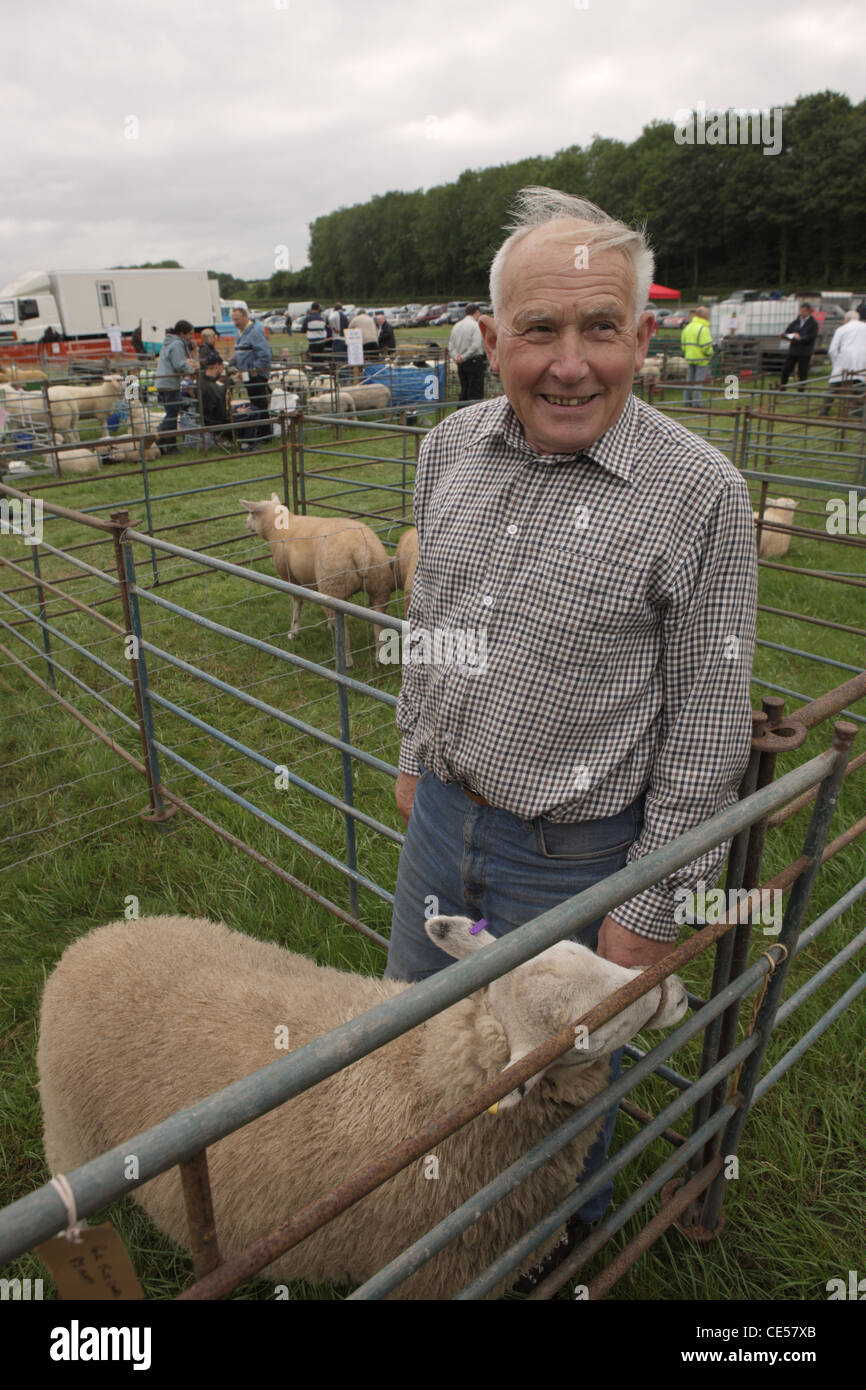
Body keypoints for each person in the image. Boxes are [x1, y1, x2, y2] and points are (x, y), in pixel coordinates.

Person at [385, 186, 757, 1283]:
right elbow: (428, 619)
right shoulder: (448, 448)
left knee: (557, 1079)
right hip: (442, 826)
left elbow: (703, 731)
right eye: (539, 329)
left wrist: (642, 915)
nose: (568, 362)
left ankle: (556, 1244)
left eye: (599, 328)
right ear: (491, 339)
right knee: (424, 1042)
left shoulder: (700, 497)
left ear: (642, 338)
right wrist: (416, 756)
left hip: (579, 865)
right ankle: (424, 1215)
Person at [229, 306, 272, 449]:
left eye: (237, 319)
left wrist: (253, 369)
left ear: (245, 317)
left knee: (260, 404)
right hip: (247, 375)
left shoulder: (255, 332)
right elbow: (241, 353)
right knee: (254, 403)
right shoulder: (240, 333)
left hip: (256, 375)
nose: (235, 322)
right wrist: (231, 362)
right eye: (233, 320)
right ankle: (259, 433)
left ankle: (264, 435)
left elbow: (265, 354)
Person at [154, 319, 197, 454]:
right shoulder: (177, 343)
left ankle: (166, 444)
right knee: (172, 416)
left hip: (163, 382)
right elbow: (178, 364)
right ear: (182, 333)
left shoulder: (169, 342)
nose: (191, 337)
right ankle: (157, 440)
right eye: (190, 334)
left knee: (171, 414)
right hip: (170, 383)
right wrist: (192, 370)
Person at [819, 310, 866, 417]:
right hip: (862, 360)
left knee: (834, 385)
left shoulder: (842, 329)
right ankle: (860, 411)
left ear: (847, 319)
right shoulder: (865, 327)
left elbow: (832, 350)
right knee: (859, 384)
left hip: (844, 359)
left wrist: (836, 363)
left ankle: (824, 410)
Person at [448, 303, 487, 401]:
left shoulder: (456, 326)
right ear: (477, 312)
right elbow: (476, 345)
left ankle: (461, 414)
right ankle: (475, 415)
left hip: (461, 363)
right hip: (474, 361)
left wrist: (456, 357)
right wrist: (464, 357)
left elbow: (451, 346)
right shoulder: (475, 325)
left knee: (464, 391)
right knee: (475, 392)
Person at [779, 303, 818, 391]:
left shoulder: (813, 323)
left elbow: (811, 337)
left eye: (804, 311)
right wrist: (788, 335)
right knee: (786, 368)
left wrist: (800, 338)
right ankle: (782, 387)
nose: (801, 313)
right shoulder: (796, 321)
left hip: (805, 351)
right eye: (800, 311)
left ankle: (801, 390)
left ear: (808, 311)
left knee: (802, 371)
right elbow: (788, 331)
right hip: (793, 350)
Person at [681, 305, 713, 405]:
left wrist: (688, 352)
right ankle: (697, 402)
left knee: (689, 381)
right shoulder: (703, 329)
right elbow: (706, 347)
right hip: (701, 359)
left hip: (689, 357)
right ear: (705, 316)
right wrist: (710, 354)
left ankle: (687, 401)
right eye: (708, 314)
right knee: (699, 382)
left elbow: (683, 344)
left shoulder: (688, 327)